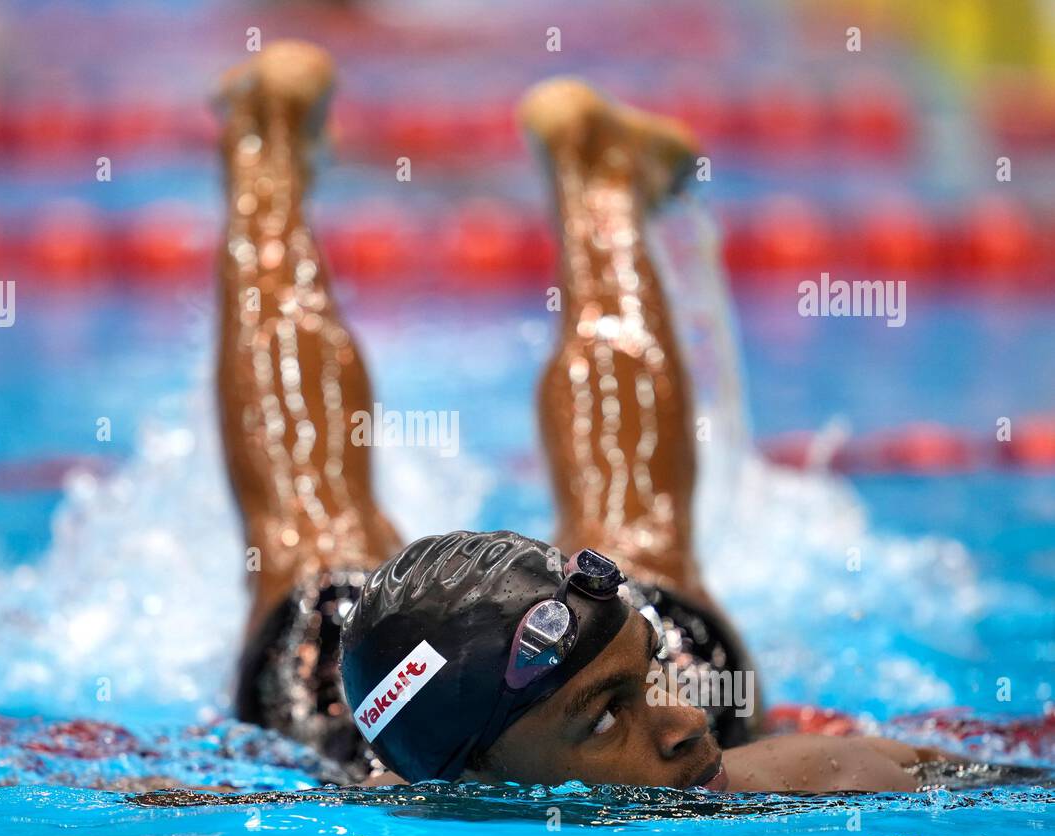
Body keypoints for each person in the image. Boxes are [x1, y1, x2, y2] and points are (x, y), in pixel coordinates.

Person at [216, 40, 951, 793]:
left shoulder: (724, 742)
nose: (690, 723)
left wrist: (626, 681)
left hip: (456, 706)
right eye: (604, 718)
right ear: (465, 784)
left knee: (315, 527)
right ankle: (590, 172)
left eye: (652, 661)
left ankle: (270, 140)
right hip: (417, 718)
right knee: (316, 531)